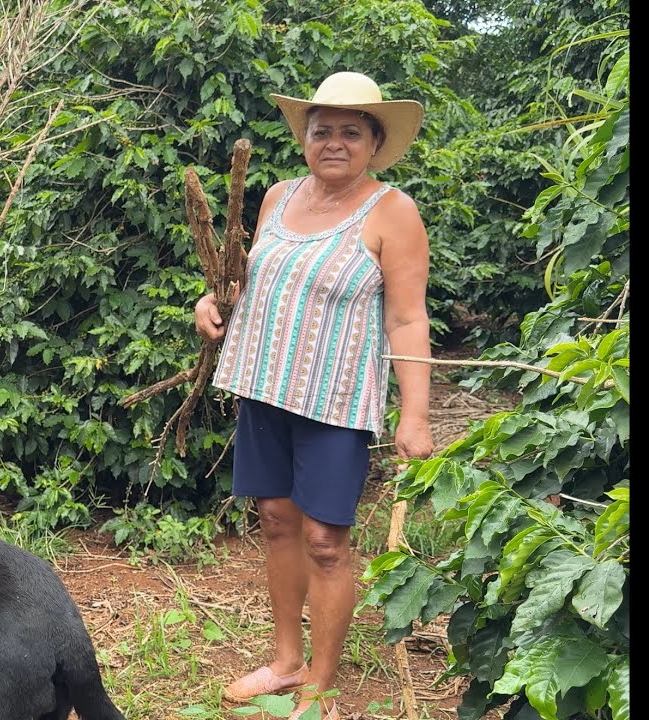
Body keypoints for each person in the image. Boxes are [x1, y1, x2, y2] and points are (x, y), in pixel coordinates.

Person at [193, 72, 435, 720]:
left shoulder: (392, 212)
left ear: (374, 143)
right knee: (276, 522)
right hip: (266, 389)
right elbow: (245, 282)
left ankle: (321, 686)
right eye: (321, 129)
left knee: (326, 539)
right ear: (304, 137)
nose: (333, 141)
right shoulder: (277, 197)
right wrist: (210, 304)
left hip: (335, 404)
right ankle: (285, 660)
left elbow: (408, 319)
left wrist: (415, 414)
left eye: (350, 132)